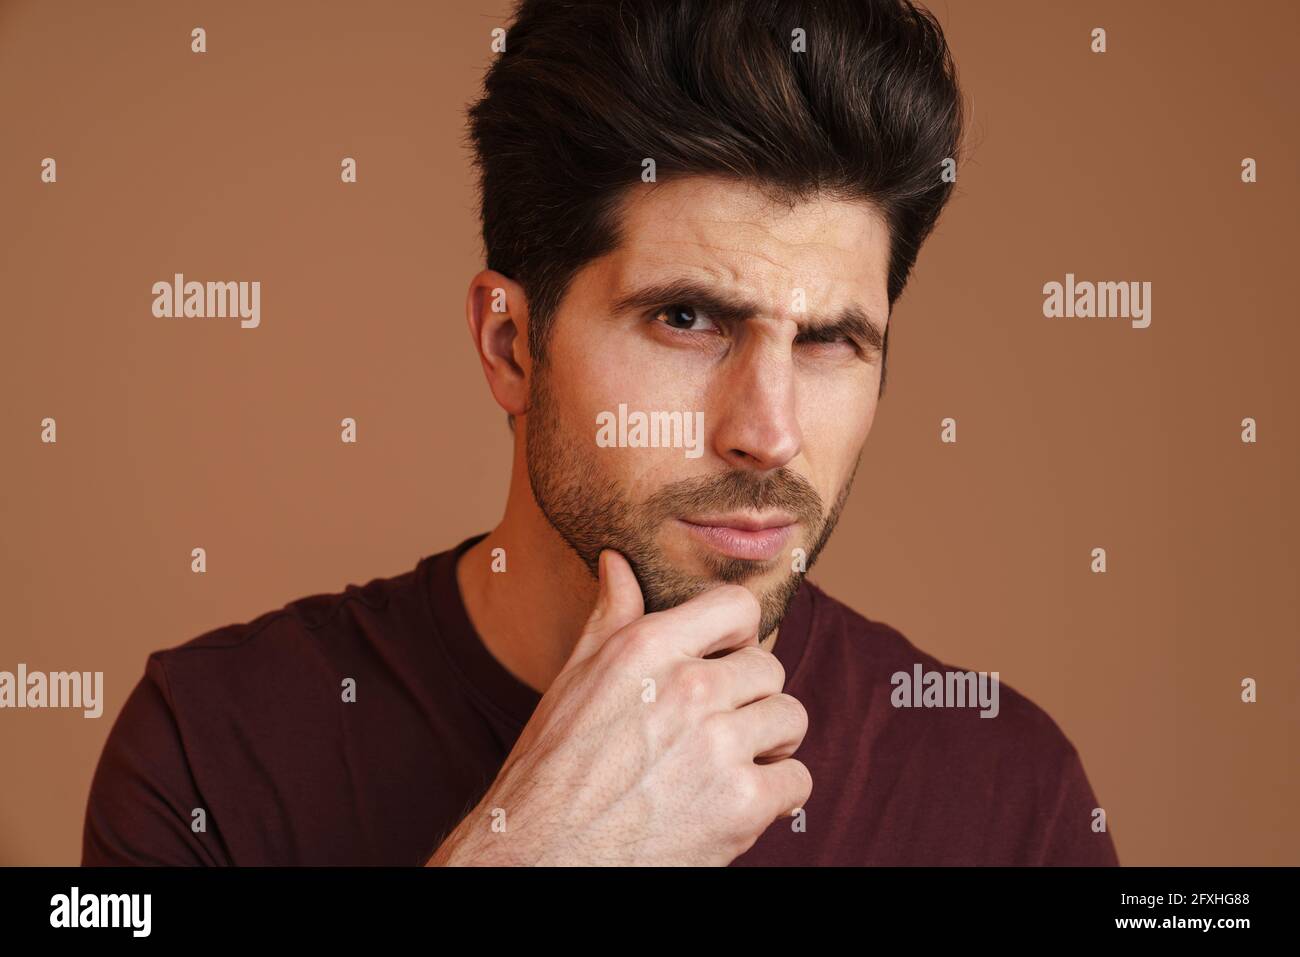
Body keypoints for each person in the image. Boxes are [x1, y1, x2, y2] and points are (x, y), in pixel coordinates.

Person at [83, 0, 1118, 867]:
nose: (768, 435)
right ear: (510, 346)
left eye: (829, 340)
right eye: (686, 319)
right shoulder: (213, 753)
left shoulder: (1005, 795)